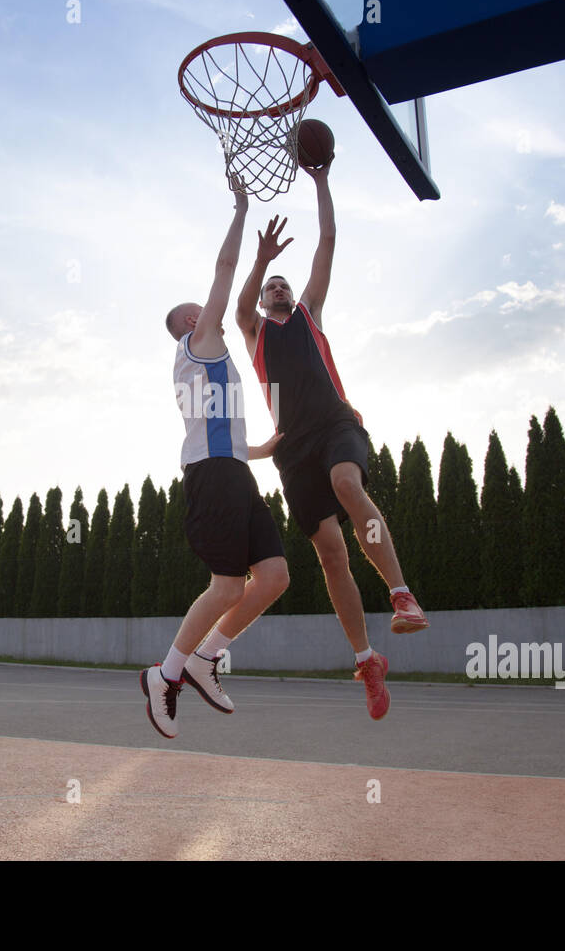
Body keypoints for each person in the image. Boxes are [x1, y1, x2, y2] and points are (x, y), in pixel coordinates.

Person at [233, 157, 428, 722]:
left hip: (337, 424)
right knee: (330, 553)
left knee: (347, 481)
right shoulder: (255, 330)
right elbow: (241, 305)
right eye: (273, 286)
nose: (278, 288)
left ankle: (401, 594)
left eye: (283, 283)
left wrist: (321, 181)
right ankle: (367, 660)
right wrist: (260, 260)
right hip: (292, 447)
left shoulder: (310, 314)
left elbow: (327, 241)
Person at [142, 178, 290, 739]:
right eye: (199, 308)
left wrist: (266, 448)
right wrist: (242, 209)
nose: (210, 309)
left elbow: (225, 438)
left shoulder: (215, 360)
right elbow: (224, 271)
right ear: (188, 322)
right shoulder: (198, 343)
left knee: (273, 576)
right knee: (227, 585)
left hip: (233, 470)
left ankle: (206, 658)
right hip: (212, 477)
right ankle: (167, 672)